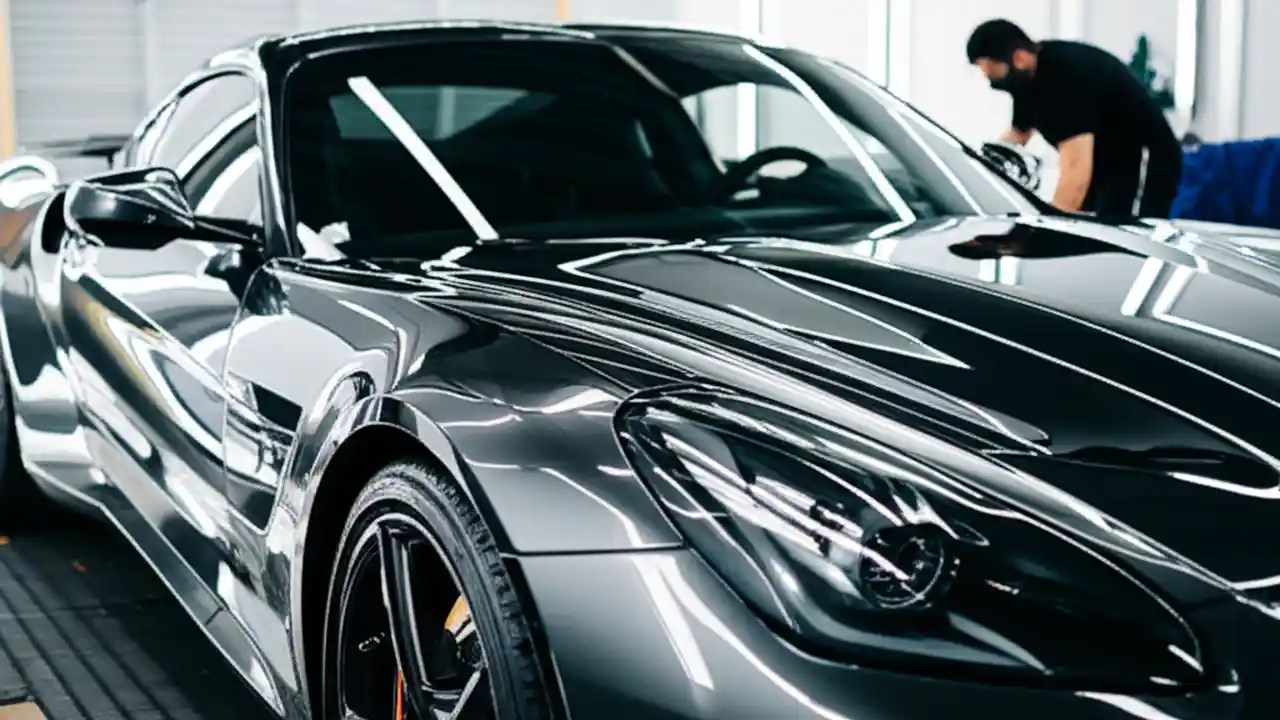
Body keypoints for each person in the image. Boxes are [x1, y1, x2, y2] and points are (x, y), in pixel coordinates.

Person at [966, 19, 1182, 218]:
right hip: (1102, 162)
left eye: (993, 73)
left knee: (1122, 238)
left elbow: (1076, 167)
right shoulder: (1027, 80)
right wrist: (977, 172)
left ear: (1019, 58)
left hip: (1144, 160)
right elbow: (1017, 135)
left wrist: (1049, 231)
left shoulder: (1065, 77)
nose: (990, 81)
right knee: (1087, 234)